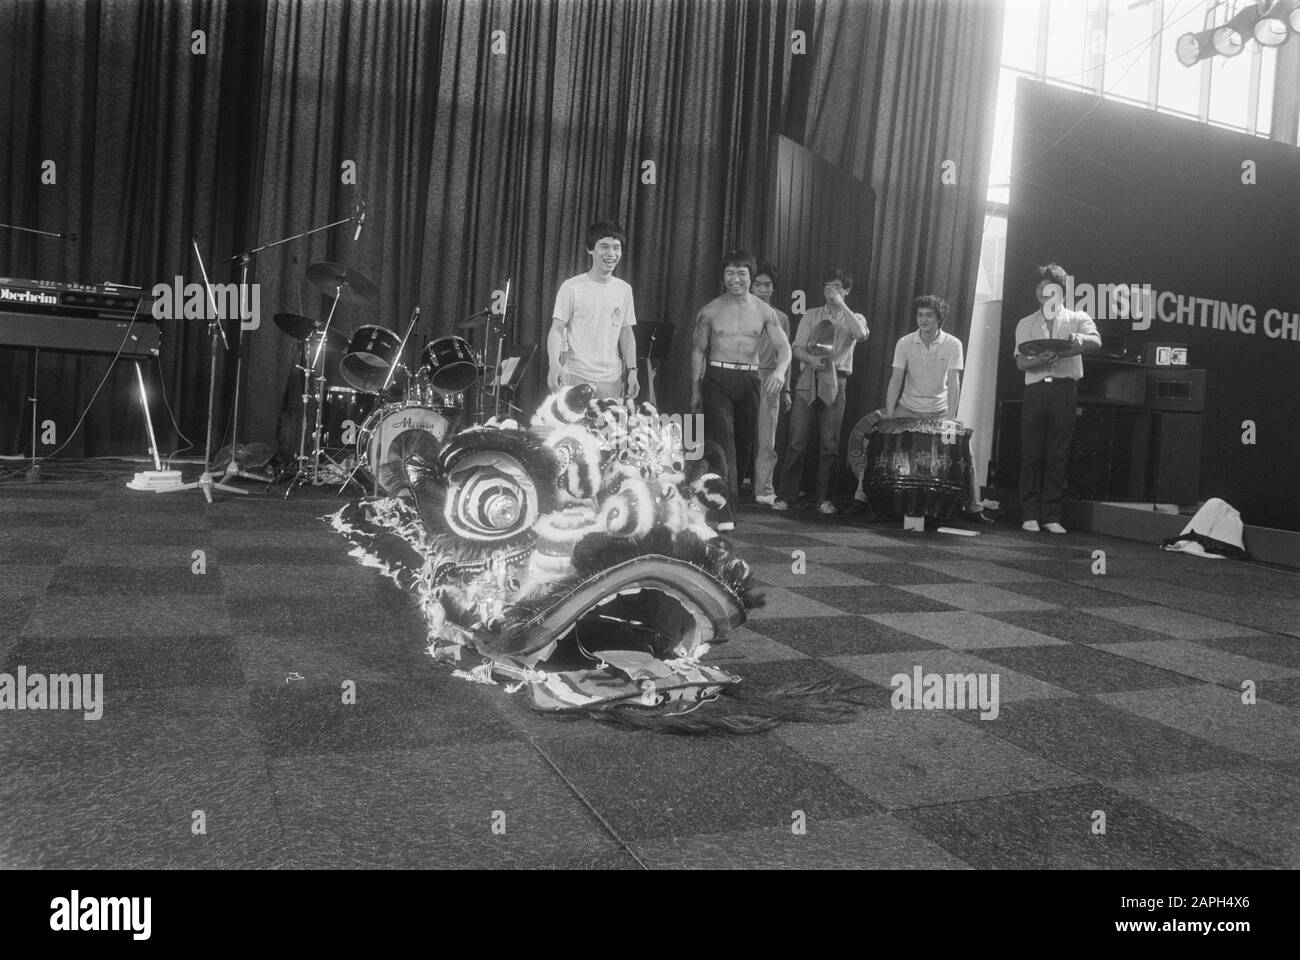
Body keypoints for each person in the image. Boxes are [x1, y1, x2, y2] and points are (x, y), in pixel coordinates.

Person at [690, 250, 791, 531]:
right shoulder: (710, 310)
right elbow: (698, 351)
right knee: (724, 448)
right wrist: (695, 388)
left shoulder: (764, 311)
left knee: (744, 446)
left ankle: (726, 503)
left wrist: (780, 372)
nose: (736, 280)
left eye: (742, 274)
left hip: (749, 380)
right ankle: (725, 514)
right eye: (730, 274)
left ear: (750, 276)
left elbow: (784, 349)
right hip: (717, 379)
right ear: (723, 278)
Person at [881, 294, 991, 524]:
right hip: (908, 408)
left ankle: (974, 507)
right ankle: (860, 497)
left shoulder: (953, 344)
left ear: (939, 319)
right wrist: (890, 415)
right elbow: (895, 378)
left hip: (939, 412)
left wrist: (951, 418)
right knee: (880, 442)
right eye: (920, 315)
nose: (923, 320)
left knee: (964, 451)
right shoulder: (904, 342)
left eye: (929, 315)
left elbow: (953, 381)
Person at [774, 267, 869, 514]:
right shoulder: (811, 315)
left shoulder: (855, 317)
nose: (831, 291)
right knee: (796, 440)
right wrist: (812, 361)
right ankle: (786, 496)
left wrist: (842, 307)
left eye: (837, 287)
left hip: (837, 381)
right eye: (827, 286)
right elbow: (796, 348)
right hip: (809, 377)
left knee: (830, 443)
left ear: (846, 290)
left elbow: (860, 335)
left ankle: (824, 498)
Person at [1014, 262, 1100, 534]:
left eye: (1049, 287)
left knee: (1058, 453)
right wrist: (1038, 359)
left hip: (1064, 390)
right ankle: (1029, 514)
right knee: (1031, 452)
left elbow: (1096, 341)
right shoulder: (1025, 323)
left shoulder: (1077, 318)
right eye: (1039, 287)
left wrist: (1078, 340)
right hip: (1036, 392)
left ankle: (1051, 515)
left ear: (1061, 291)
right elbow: (1019, 362)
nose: (1043, 292)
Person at [547, 220, 639, 400]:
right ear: (590, 249)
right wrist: (554, 364)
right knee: (573, 428)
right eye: (604, 246)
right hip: (575, 377)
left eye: (616, 247)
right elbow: (557, 329)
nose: (611, 253)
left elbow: (626, 333)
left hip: (611, 380)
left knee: (607, 428)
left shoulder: (624, 289)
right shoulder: (572, 287)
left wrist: (633, 371)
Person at [749, 261, 791, 505]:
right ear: (751, 286)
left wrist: (786, 388)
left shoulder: (781, 318)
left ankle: (764, 490)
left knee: (767, 439)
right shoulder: (738, 312)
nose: (763, 289)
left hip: (771, 379)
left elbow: (785, 355)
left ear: (773, 289)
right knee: (737, 436)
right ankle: (728, 486)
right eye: (758, 284)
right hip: (743, 375)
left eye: (767, 285)